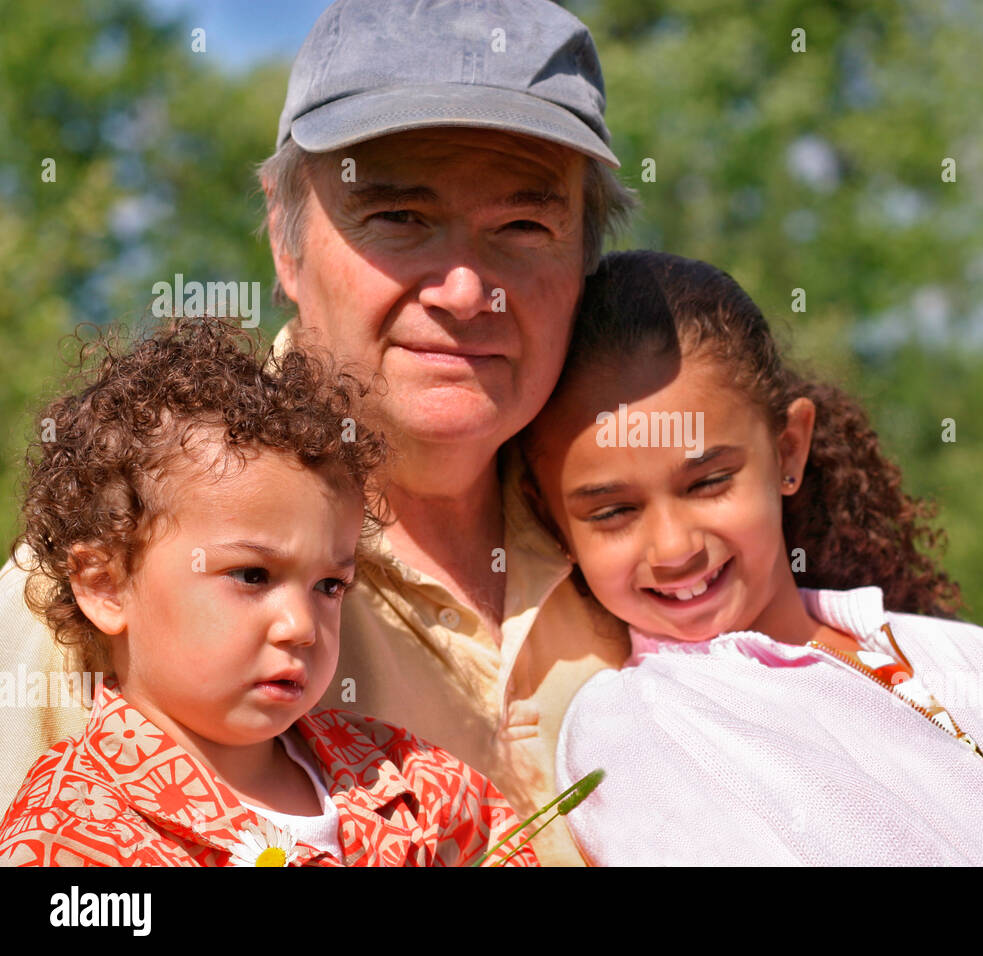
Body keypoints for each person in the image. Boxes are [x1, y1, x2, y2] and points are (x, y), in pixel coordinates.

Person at [0, 0, 636, 865]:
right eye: (400, 218)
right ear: (284, 239)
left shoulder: (677, 524)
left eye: (524, 226)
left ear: (585, 264)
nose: (461, 290)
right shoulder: (114, 553)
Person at [523, 250, 983, 866]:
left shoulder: (973, 657)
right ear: (557, 528)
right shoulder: (639, 726)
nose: (675, 546)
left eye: (710, 480)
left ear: (788, 451)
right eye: (613, 512)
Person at [0, 318, 537, 867]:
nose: (302, 626)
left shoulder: (401, 777)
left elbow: (508, 849)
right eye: (252, 576)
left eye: (330, 585)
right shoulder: (72, 834)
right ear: (106, 585)